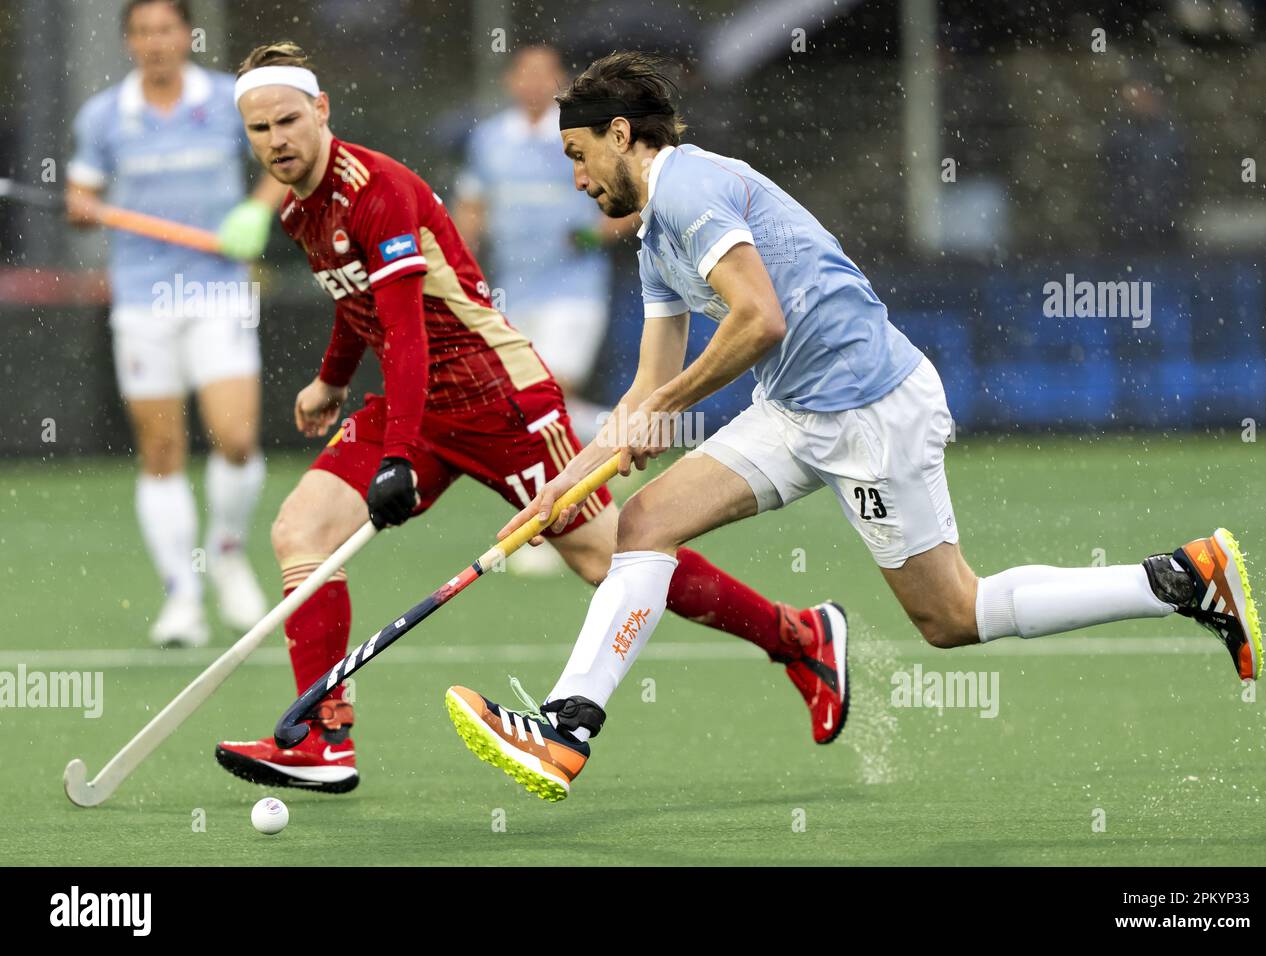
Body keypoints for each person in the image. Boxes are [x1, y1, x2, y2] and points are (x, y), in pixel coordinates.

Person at [445, 51, 1264, 802]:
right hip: (797, 409)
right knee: (644, 522)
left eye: (580, 155)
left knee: (951, 616)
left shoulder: (689, 189)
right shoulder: (655, 233)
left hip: (872, 408)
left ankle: (1181, 580)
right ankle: (566, 728)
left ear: (622, 135)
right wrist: (565, 484)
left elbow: (757, 319)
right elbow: (649, 387)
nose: (578, 179)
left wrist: (657, 414)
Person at [213, 42, 852, 795]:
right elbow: (360, 312)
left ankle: (799, 636)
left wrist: (398, 452)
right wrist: (329, 383)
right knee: (302, 531)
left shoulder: (378, 190)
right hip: (414, 405)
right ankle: (323, 737)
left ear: (321, 111)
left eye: (288, 120)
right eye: (260, 130)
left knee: (608, 556)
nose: (276, 140)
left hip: (497, 397)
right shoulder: (299, 212)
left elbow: (411, 334)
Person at [66, 0, 282, 647]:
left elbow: (282, 165)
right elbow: (82, 193)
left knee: (237, 439)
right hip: (142, 299)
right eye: (142, 32)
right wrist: (82, 206)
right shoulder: (105, 116)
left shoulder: (226, 100)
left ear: (186, 35)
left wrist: (256, 212)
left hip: (217, 291)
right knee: (161, 454)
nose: (156, 42)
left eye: (166, 29)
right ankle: (182, 597)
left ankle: (227, 551)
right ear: (129, 41)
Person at [454, 43, 639, 576]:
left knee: (553, 390)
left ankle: (581, 495)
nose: (534, 84)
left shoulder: (583, 135)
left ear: (560, 82)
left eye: (546, 75)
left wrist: (597, 230)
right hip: (514, 292)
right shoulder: (489, 140)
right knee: (530, 407)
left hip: (574, 290)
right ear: (512, 81)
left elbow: (631, 201)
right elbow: (471, 208)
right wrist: (462, 267)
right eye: (525, 74)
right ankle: (618, 440)